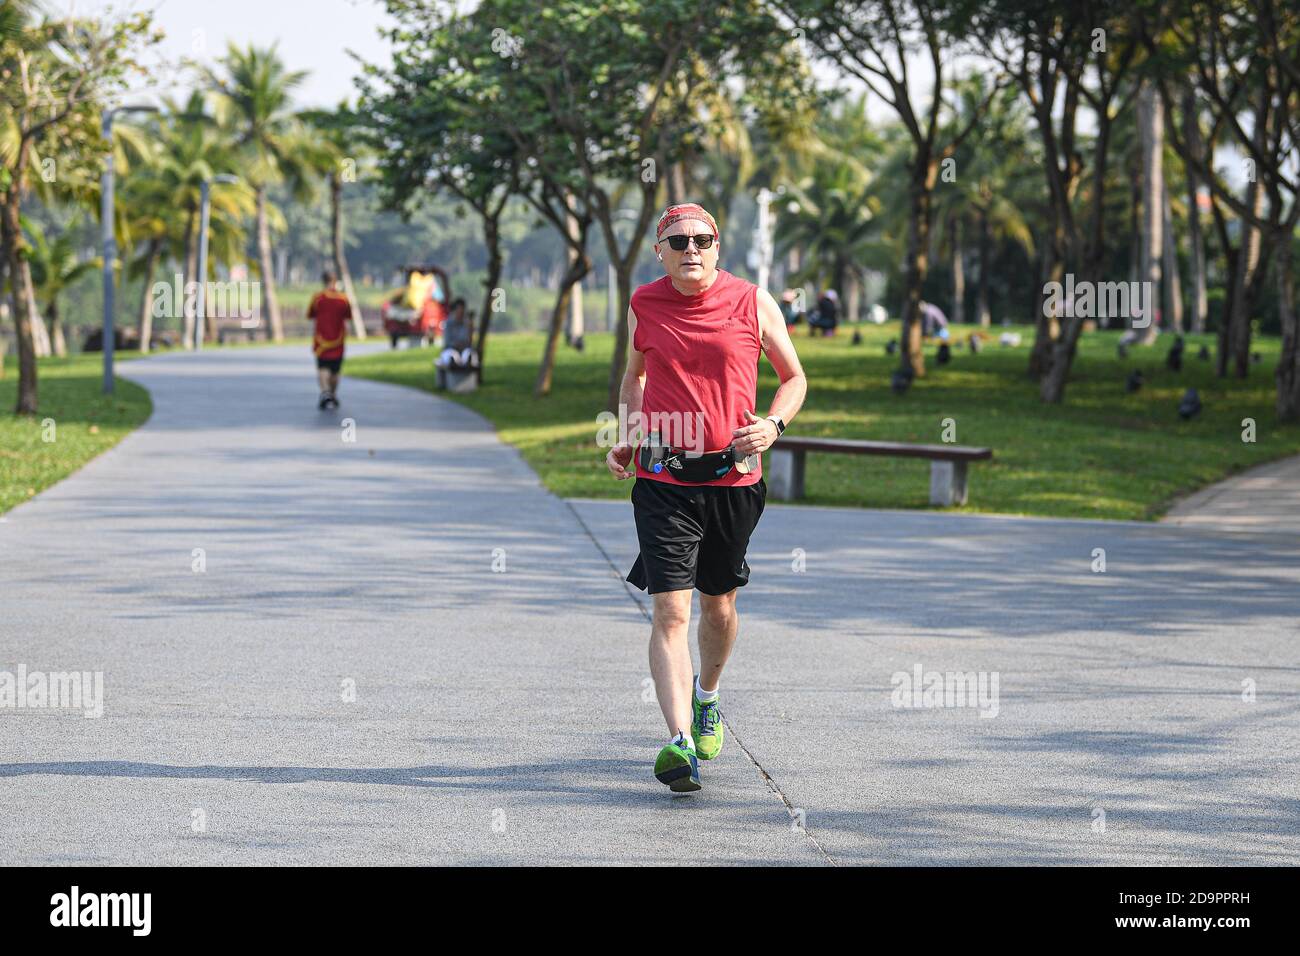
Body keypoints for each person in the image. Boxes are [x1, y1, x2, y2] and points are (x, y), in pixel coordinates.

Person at [605, 202, 807, 794]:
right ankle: (679, 743)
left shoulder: (752, 301)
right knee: (671, 611)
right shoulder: (644, 304)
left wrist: (773, 425)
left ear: (717, 246)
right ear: (660, 252)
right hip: (664, 480)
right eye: (678, 241)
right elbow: (635, 376)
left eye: (703, 239)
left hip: (734, 481)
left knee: (719, 606)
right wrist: (628, 433)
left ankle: (707, 698)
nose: (691, 248)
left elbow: (794, 378)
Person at [309, 270, 352, 409]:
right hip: (338, 340)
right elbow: (348, 315)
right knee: (335, 370)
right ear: (335, 281)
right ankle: (332, 394)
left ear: (323, 281)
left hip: (321, 340)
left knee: (323, 366)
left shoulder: (318, 298)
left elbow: (311, 314)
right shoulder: (343, 299)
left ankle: (325, 392)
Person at [435, 298, 479, 388]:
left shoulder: (466, 324)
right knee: (452, 356)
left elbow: (469, 342)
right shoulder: (448, 324)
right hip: (450, 349)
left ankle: (468, 365)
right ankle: (454, 363)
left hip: (463, 350)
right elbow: (447, 342)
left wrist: (471, 328)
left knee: (468, 354)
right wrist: (457, 345)